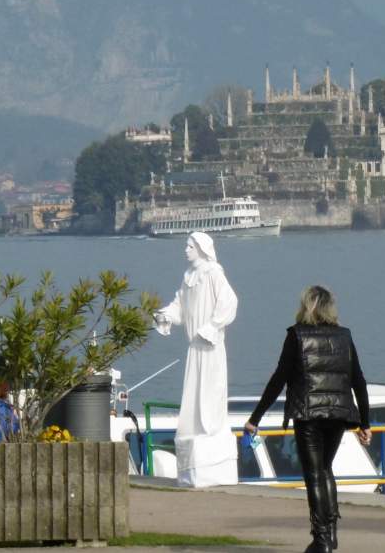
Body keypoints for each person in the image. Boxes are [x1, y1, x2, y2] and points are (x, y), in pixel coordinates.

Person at [245, 285, 371, 553]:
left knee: (314, 474)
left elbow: (279, 379)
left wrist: (256, 417)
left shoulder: (297, 335)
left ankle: (321, 539)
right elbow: (358, 380)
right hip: (338, 413)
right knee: (325, 469)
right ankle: (331, 533)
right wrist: (365, 423)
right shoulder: (344, 336)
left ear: (306, 306)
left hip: (308, 413)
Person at [154, 231, 240, 487]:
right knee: (194, 394)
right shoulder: (189, 277)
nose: (186, 250)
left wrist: (212, 326)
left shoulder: (213, 273)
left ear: (202, 249)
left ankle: (210, 430)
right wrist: (165, 315)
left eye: (190, 246)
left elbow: (229, 302)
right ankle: (196, 430)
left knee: (210, 391)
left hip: (210, 345)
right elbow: (180, 307)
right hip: (195, 347)